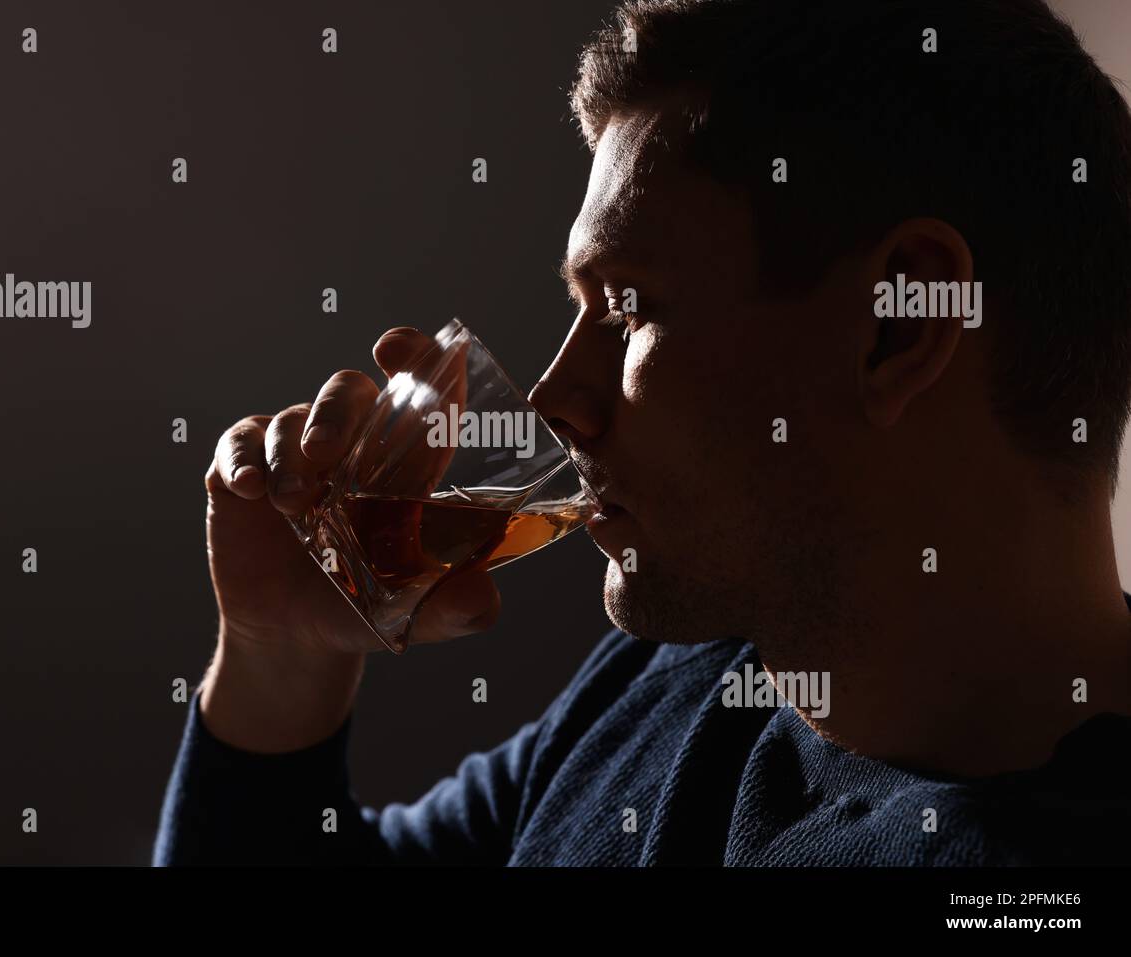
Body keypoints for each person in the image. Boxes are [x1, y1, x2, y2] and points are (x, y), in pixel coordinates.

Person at [154, 0, 1131, 865]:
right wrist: (278, 653)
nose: (549, 400)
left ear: (898, 324)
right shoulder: (677, 687)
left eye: (626, 312)